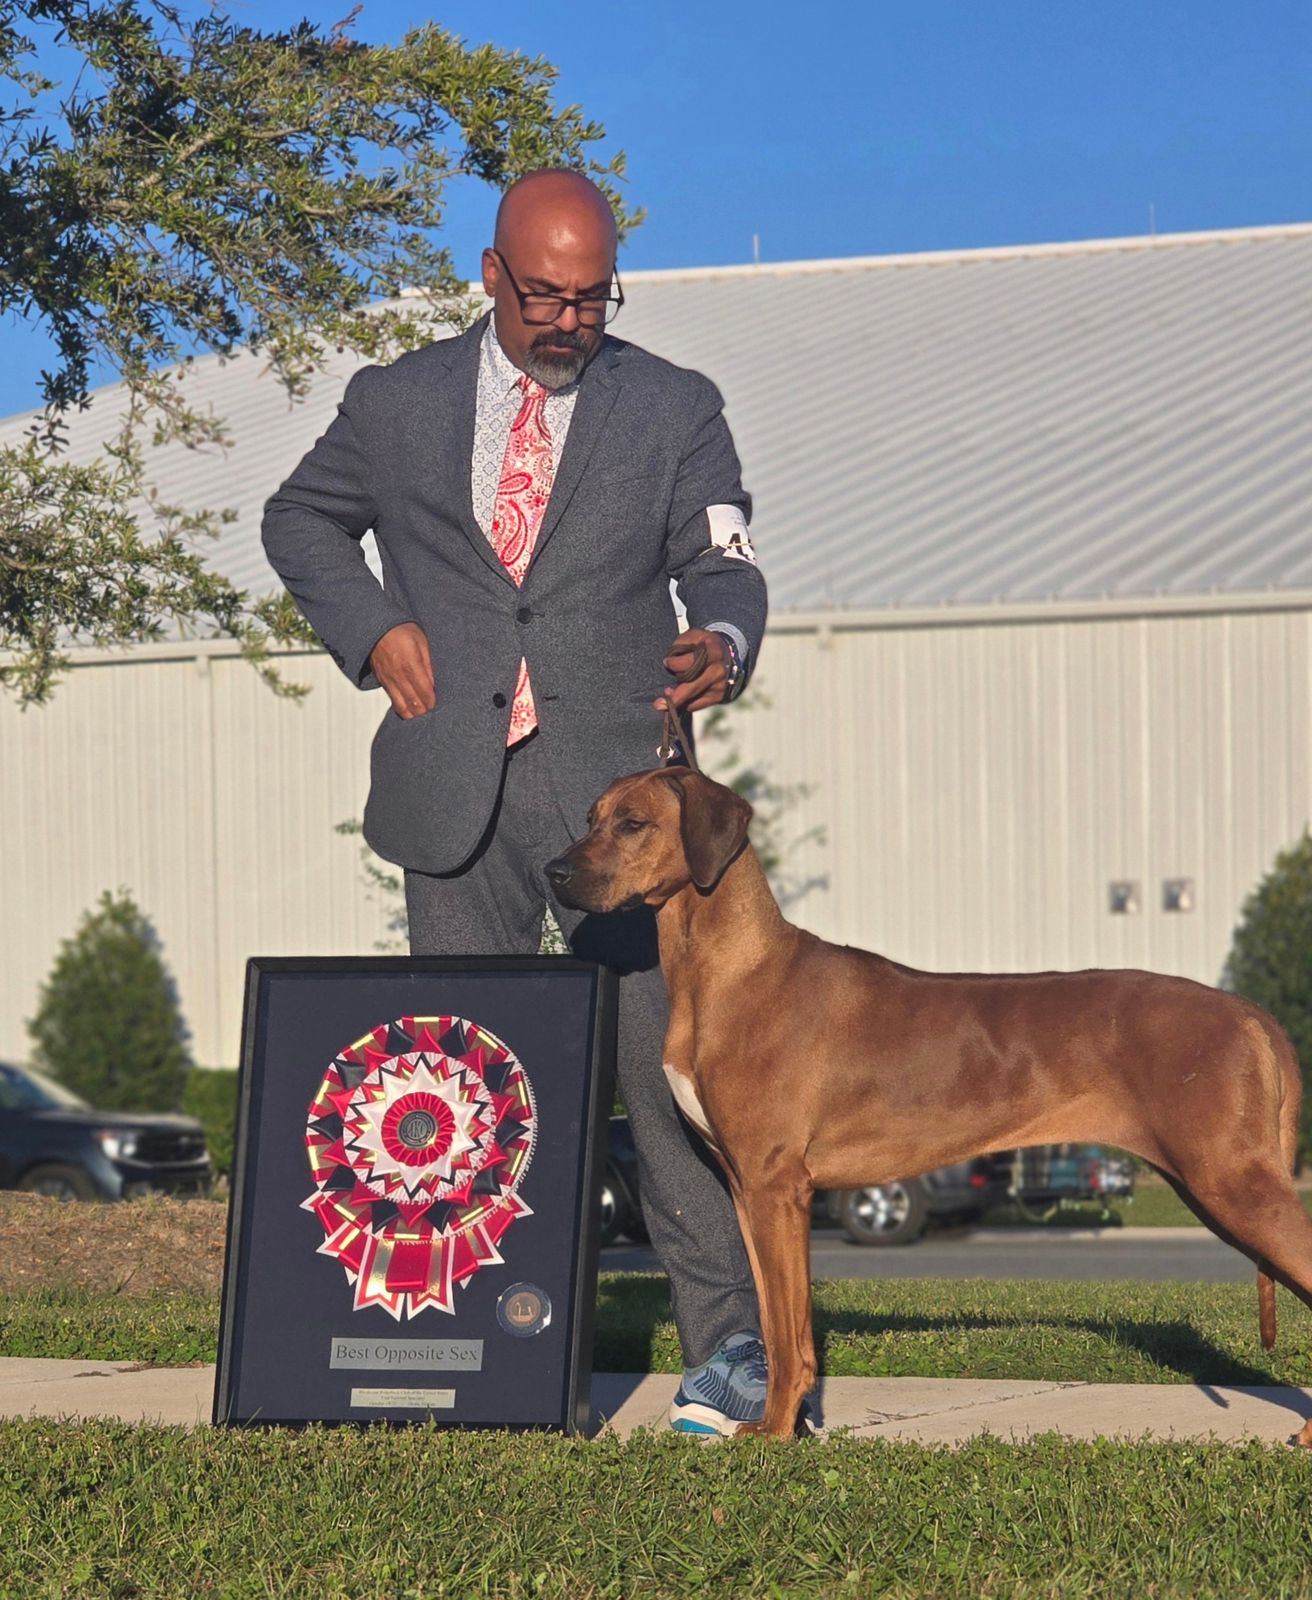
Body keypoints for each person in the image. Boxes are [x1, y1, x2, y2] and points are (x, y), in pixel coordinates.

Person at [262, 169, 768, 1434]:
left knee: (667, 1082)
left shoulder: (674, 406)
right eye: (544, 296)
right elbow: (299, 519)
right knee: (462, 1092)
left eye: (592, 300)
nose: (568, 323)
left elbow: (724, 561)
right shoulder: (392, 402)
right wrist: (374, 628)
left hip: (623, 811)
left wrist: (720, 640)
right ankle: (477, 1355)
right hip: (452, 785)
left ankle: (732, 1355)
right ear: (490, 274)